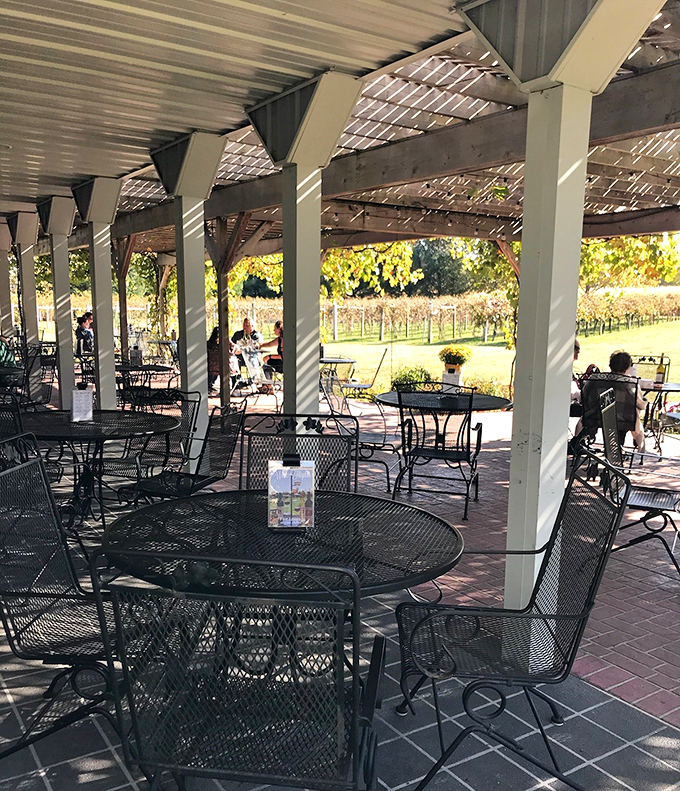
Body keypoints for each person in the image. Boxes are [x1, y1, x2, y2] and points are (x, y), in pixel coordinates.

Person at [206, 327, 220, 394]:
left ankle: (210, 384)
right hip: (216, 364)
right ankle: (209, 385)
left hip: (210, 364)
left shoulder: (208, 343)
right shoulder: (218, 345)